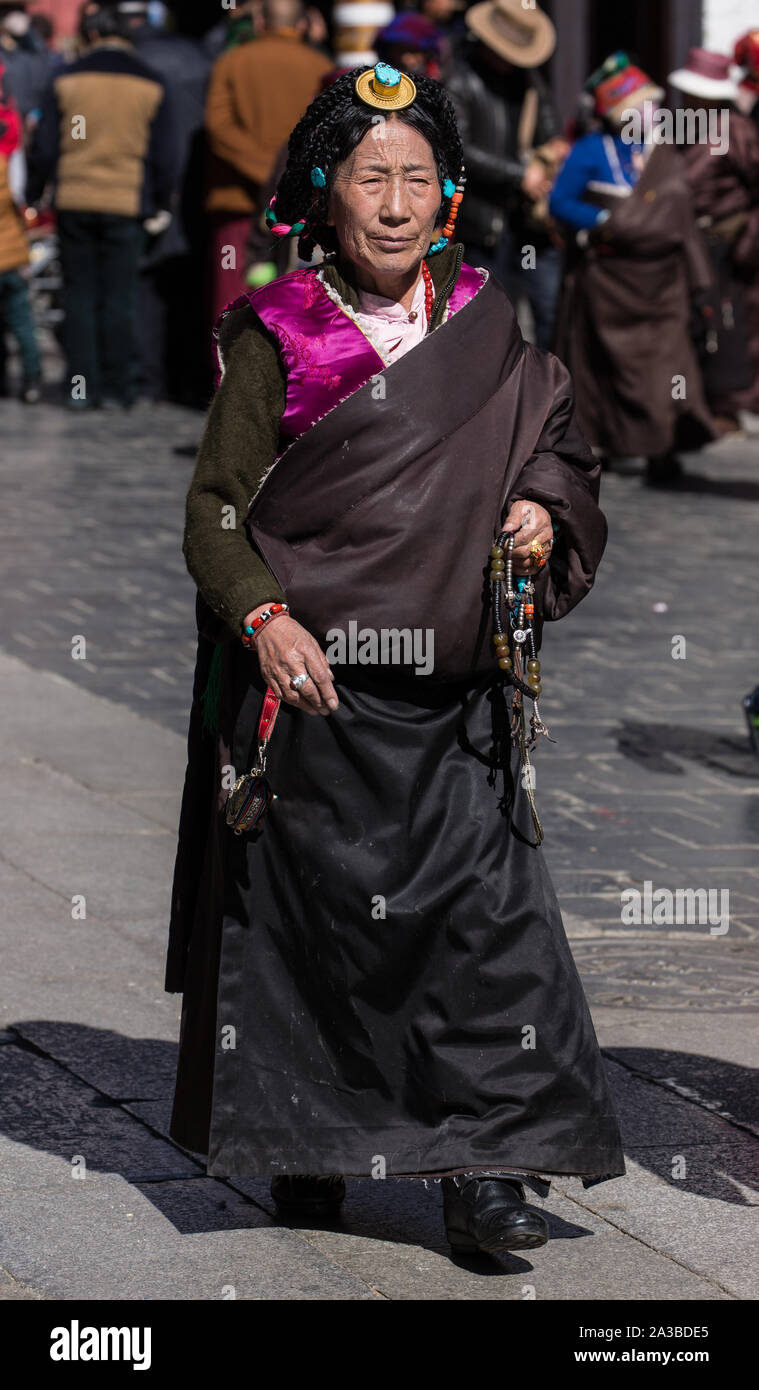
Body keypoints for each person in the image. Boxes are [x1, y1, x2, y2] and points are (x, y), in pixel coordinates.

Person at [166, 62, 625, 1258]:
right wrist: (265, 619)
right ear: (327, 191)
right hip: (321, 695)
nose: (394, 199)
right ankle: (312, 1139)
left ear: (449, 197)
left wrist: (538, 504)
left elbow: (559, 442)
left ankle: (481, 1168)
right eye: (371, 175)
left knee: (486, 934)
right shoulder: (278, 333)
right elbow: (216, 511)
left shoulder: (485, 319)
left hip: (456, 700)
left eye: (417, 176)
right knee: (324, 942)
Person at [549, 53, 715, 486]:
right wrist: (606, 223)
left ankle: (664, 447)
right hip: (612, 280)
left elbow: (680, 216)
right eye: (643, 106)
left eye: (654, 105)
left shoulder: (661, 152)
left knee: (668, 365)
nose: (653, 114)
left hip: (663, 281)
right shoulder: (590, 150)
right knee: (616, 366)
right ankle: (621, 443)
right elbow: (560, 202)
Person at [26, 1, 176, 409]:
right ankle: (118, 388)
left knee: (78, 294)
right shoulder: (150, 81)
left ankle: (81, 388)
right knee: (119, 296)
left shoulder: (66, 78)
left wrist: (37, 191)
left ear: (91, 34)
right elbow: (164, 154)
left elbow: (44, 147)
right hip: (126, 201)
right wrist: (161, 200)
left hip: (75, 197)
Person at [203, 0, 332, 324]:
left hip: (240, 204)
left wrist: (264, 174)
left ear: (259, 22)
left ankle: (232, 375)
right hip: (300, 210)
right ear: (303, 25)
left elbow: (218, 129)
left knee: (233, 308)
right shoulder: (320, 67)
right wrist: (283, 179)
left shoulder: (231, 62)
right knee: (298, 311)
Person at [446, 0, 565, 349]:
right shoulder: (461, 80)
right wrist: (518, 175)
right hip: (485, 221)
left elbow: (548, 127)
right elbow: (459, 148)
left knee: (547, 312)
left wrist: (552, 155)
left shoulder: (528, 81)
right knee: (491, 320)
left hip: (527, 221)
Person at [668, 49, 759, 436]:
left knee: (727, 322)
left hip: (727, 242)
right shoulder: (682, 126)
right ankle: (695, 405)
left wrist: (743, 227)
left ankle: (729, 405)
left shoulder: (736, 130)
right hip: (686, 240)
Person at [0, 60, 41, 400]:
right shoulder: (10, 149)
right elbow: (19, 193)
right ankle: (32, 380)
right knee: (21, 320)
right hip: (11, 252)